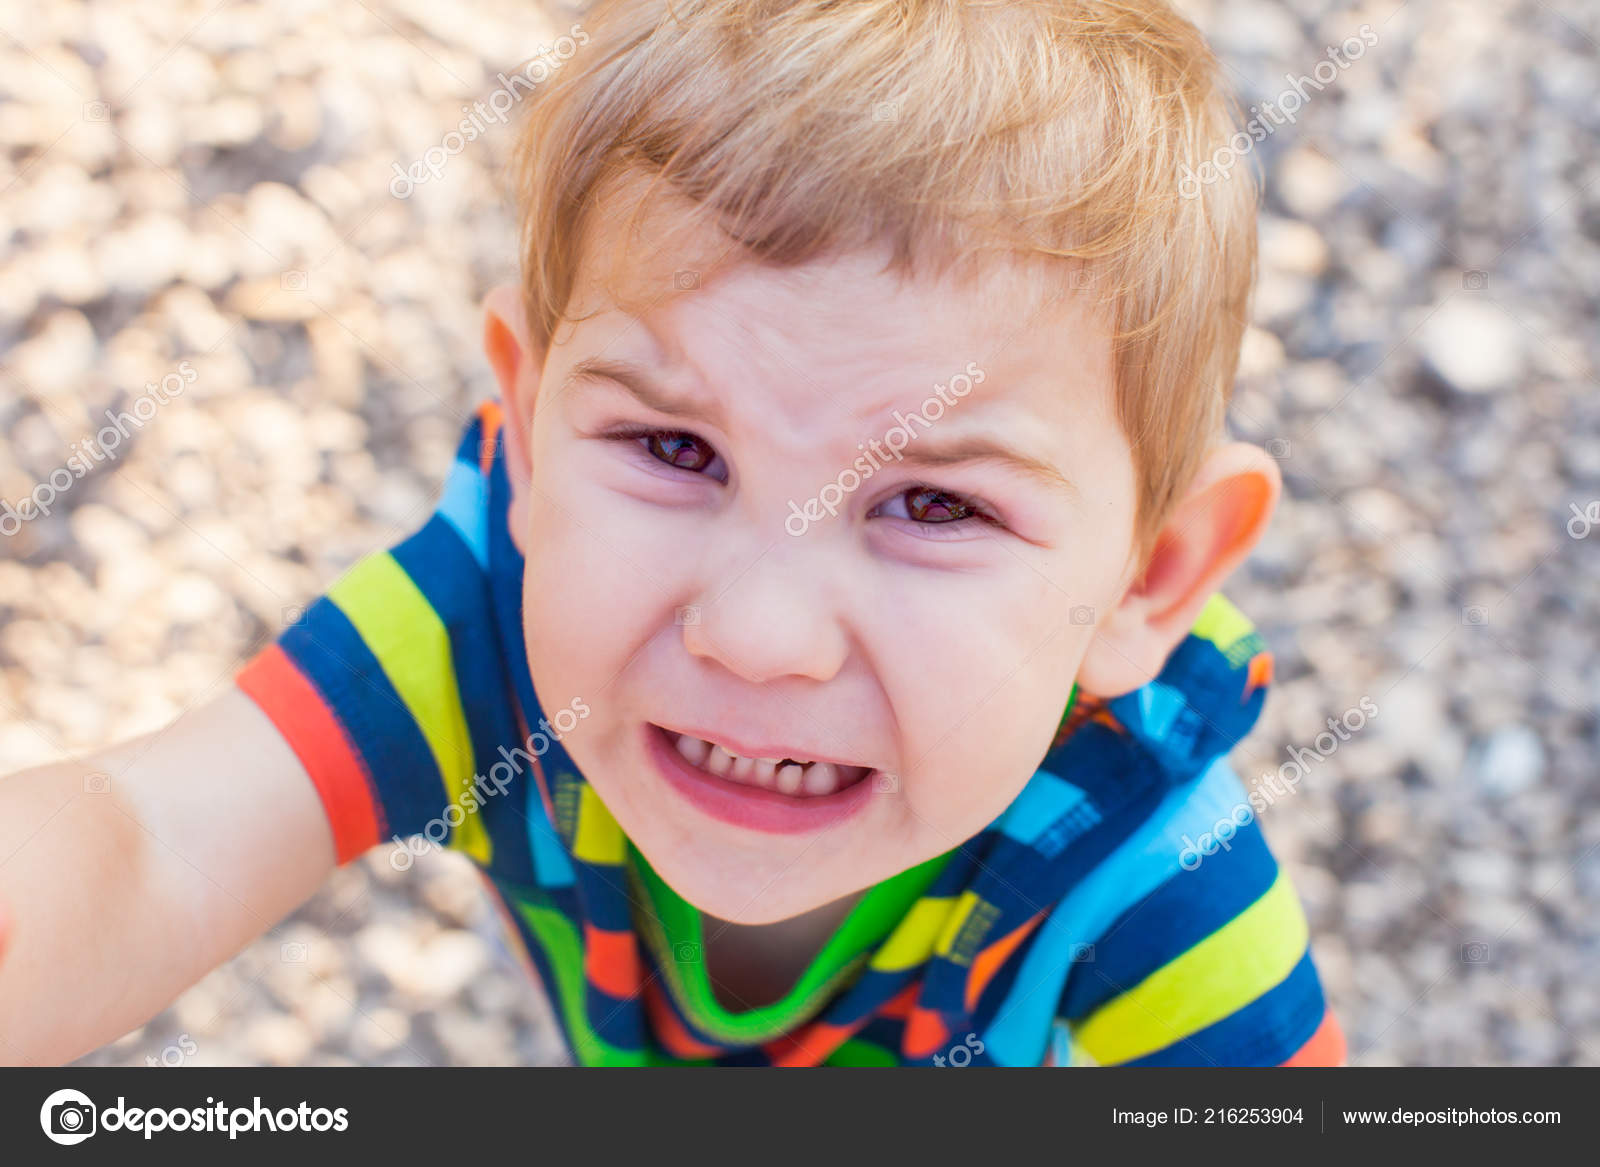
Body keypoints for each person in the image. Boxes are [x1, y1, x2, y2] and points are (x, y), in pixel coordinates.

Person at [0, 0, 1345, 1067]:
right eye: (673, 449)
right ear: (524, 429)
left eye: (935, 505)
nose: (756, 636)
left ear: (1150, 575)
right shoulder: (476, 636)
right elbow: (148, 848)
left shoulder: (1144, 858)